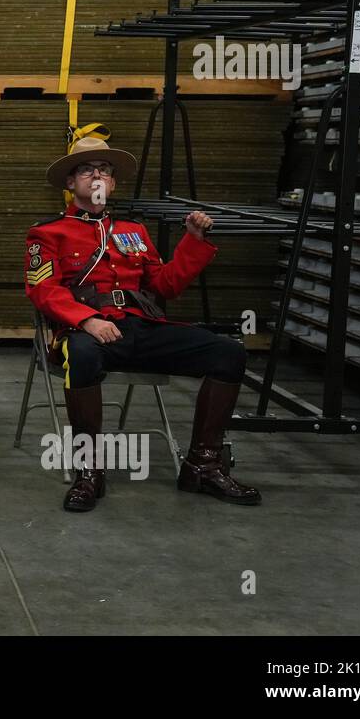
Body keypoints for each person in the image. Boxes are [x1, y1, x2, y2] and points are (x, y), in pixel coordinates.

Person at [24, 136, 261, 512]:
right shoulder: (48, 232)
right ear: (71, 183)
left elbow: (165, 285)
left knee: (227, 352)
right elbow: (44, 291)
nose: (96, 175)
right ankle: (90, 469)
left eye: (104, 170)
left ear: (114, 183)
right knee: (82, 355)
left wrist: (193, 242)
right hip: (87, 332)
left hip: (140, 327)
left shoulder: (132, 231)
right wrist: (87, 320)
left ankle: (202, 464)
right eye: (86, 169)